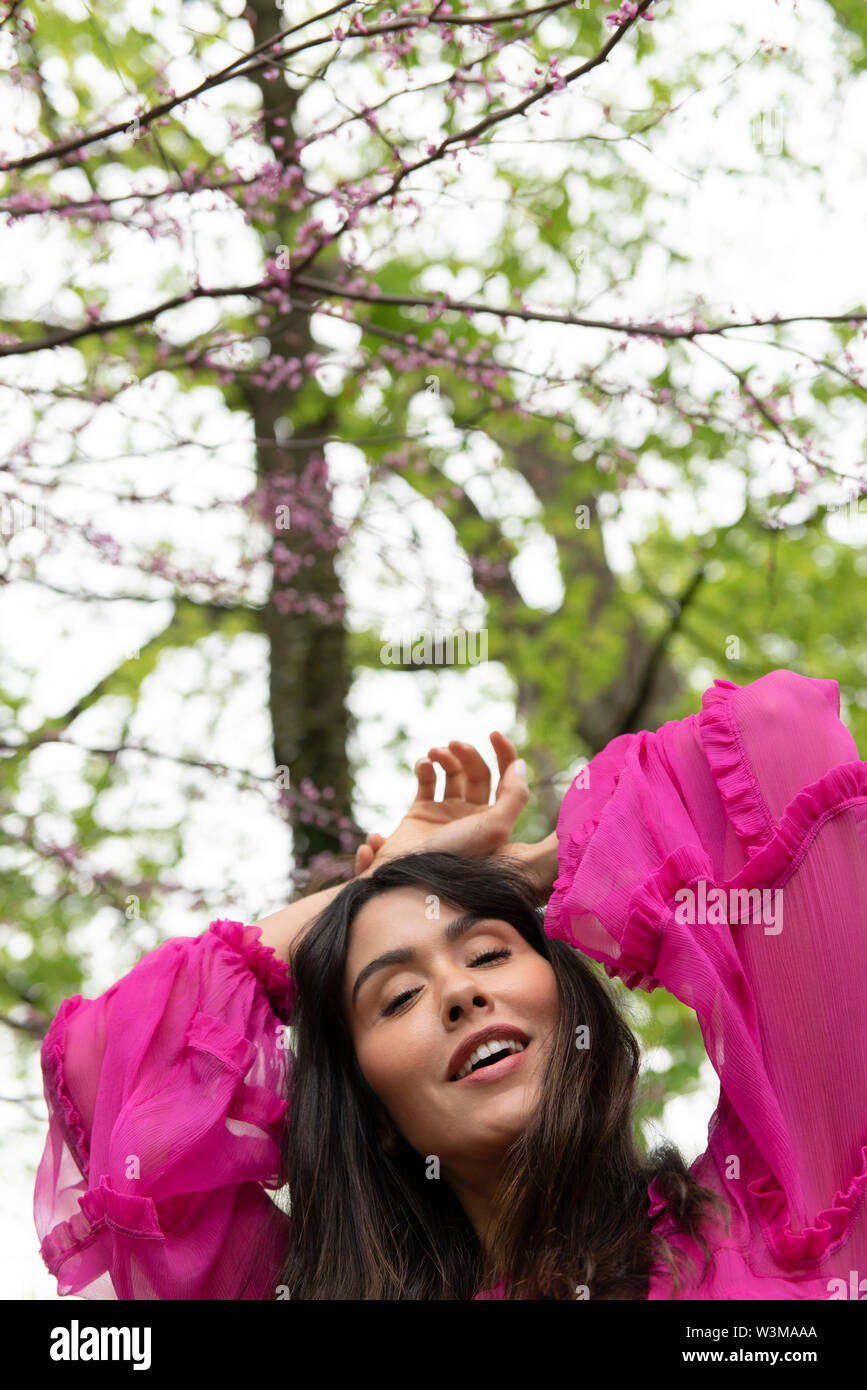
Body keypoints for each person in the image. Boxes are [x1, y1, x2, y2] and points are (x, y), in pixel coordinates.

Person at [34, 670, 867, 1298]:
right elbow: (109, 1062)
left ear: (574, 1011)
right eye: (395, 998)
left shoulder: (769, 1220)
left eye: (491, 953)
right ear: (374, 1113)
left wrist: (542, 868)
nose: (459, 994)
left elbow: (780, 734)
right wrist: (377, 884)